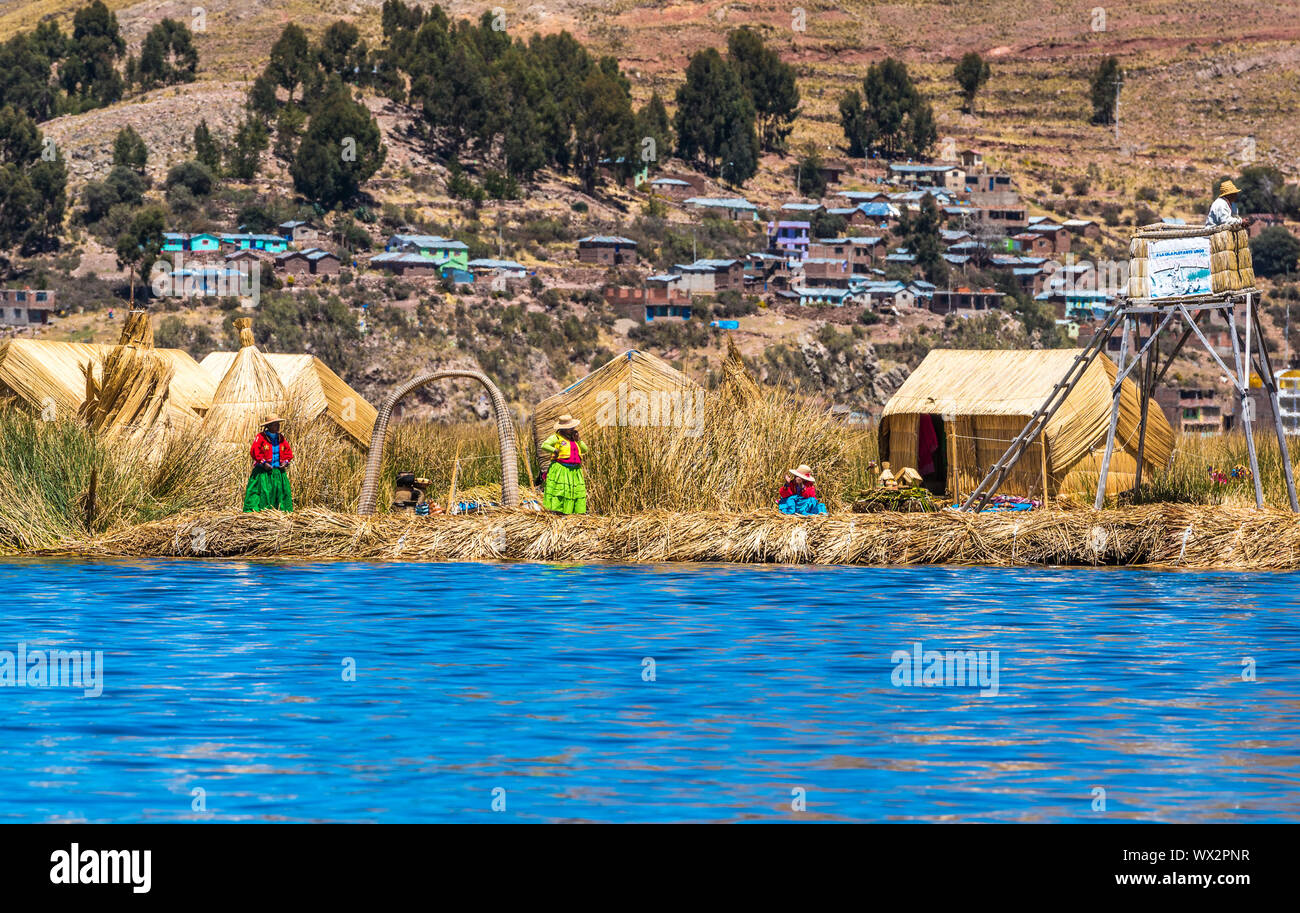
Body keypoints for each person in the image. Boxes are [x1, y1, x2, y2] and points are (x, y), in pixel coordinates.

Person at [243, 414, 294, 512]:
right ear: (269, 426)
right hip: (263, 473)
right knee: (263, 492)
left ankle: (280, 512)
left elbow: (288, 452)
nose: (278, 426)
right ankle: (260, 512)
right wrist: (263, 463)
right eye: (275, 424)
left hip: (278, 472)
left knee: (281, 493)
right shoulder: (261, 437)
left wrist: (286, 462)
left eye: (278, 424)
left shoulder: (281, 437)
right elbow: (254, 451)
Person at [539, 414, 588, 514]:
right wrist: (554, 450)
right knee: (562, 491)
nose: (572, 429)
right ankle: (560, 513)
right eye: (569, 428)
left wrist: (579, 440)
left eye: (572, 427)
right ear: (563, 429)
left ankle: (574, 512)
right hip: (561, 469)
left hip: (575, 470)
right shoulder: (556, 437)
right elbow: (544, 445)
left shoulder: (574, 439)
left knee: (575, 491)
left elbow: (585, 449)